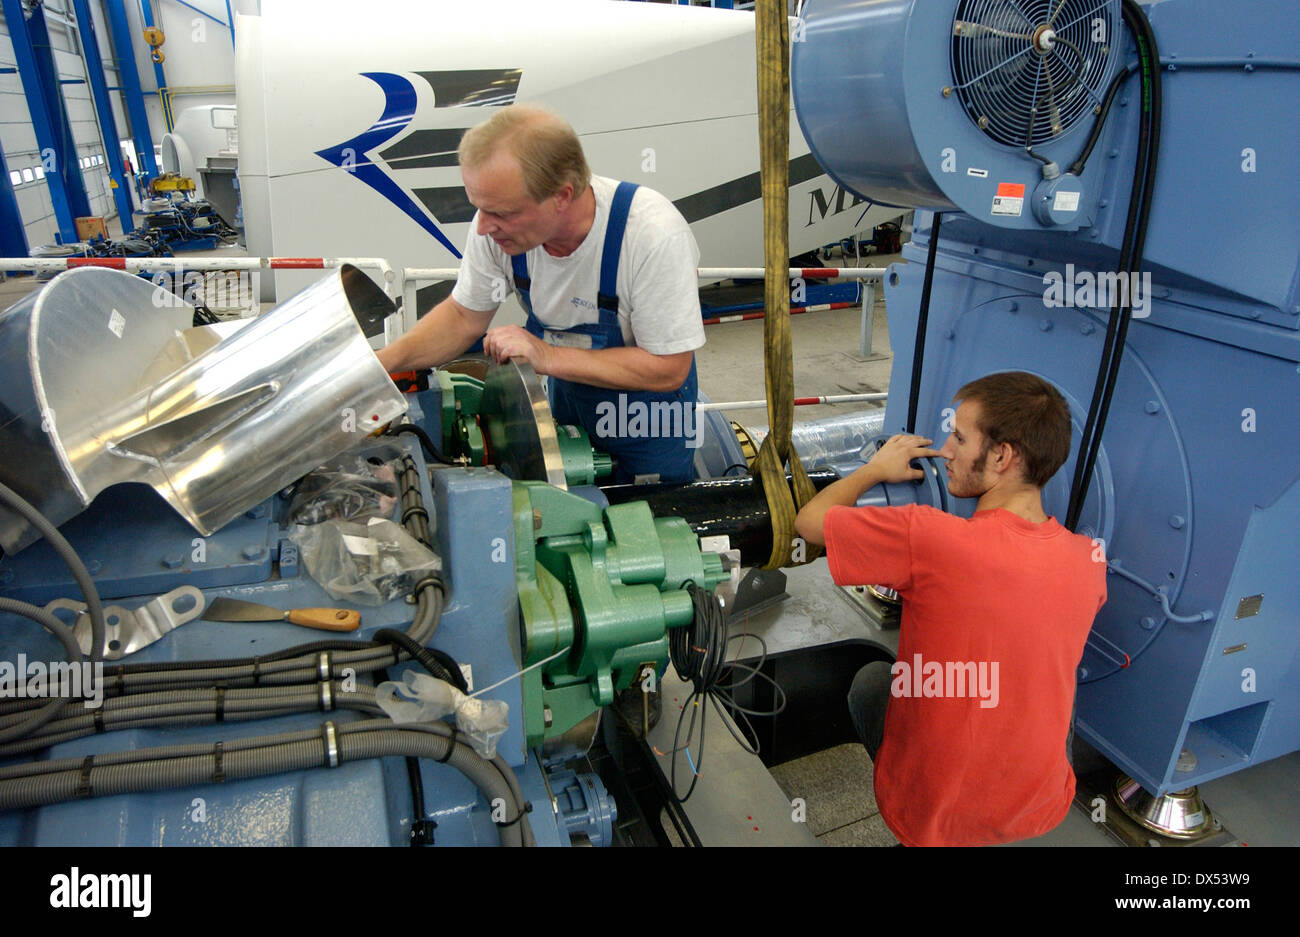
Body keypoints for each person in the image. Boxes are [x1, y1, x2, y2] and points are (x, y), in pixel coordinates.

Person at [794, 371, 1107, 846]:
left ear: (1002, 456)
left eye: (960, 437)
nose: (944, 449)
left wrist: (874, 470)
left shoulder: (930, 537)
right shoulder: (1088, 561)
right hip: (1039, 802)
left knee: (872, 683)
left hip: (938, 814)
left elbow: (810, 523)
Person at [377, 105, 705, 484]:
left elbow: (668, 367)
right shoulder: (497, 224)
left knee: (651, 528)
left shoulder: (651, 236)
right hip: (569, 403)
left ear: (562, 196)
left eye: (500, 213)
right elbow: (464, 317)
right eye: (479, 208)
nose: (483, 226)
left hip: (647, 423)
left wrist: (546, 354)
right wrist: (381, 365)